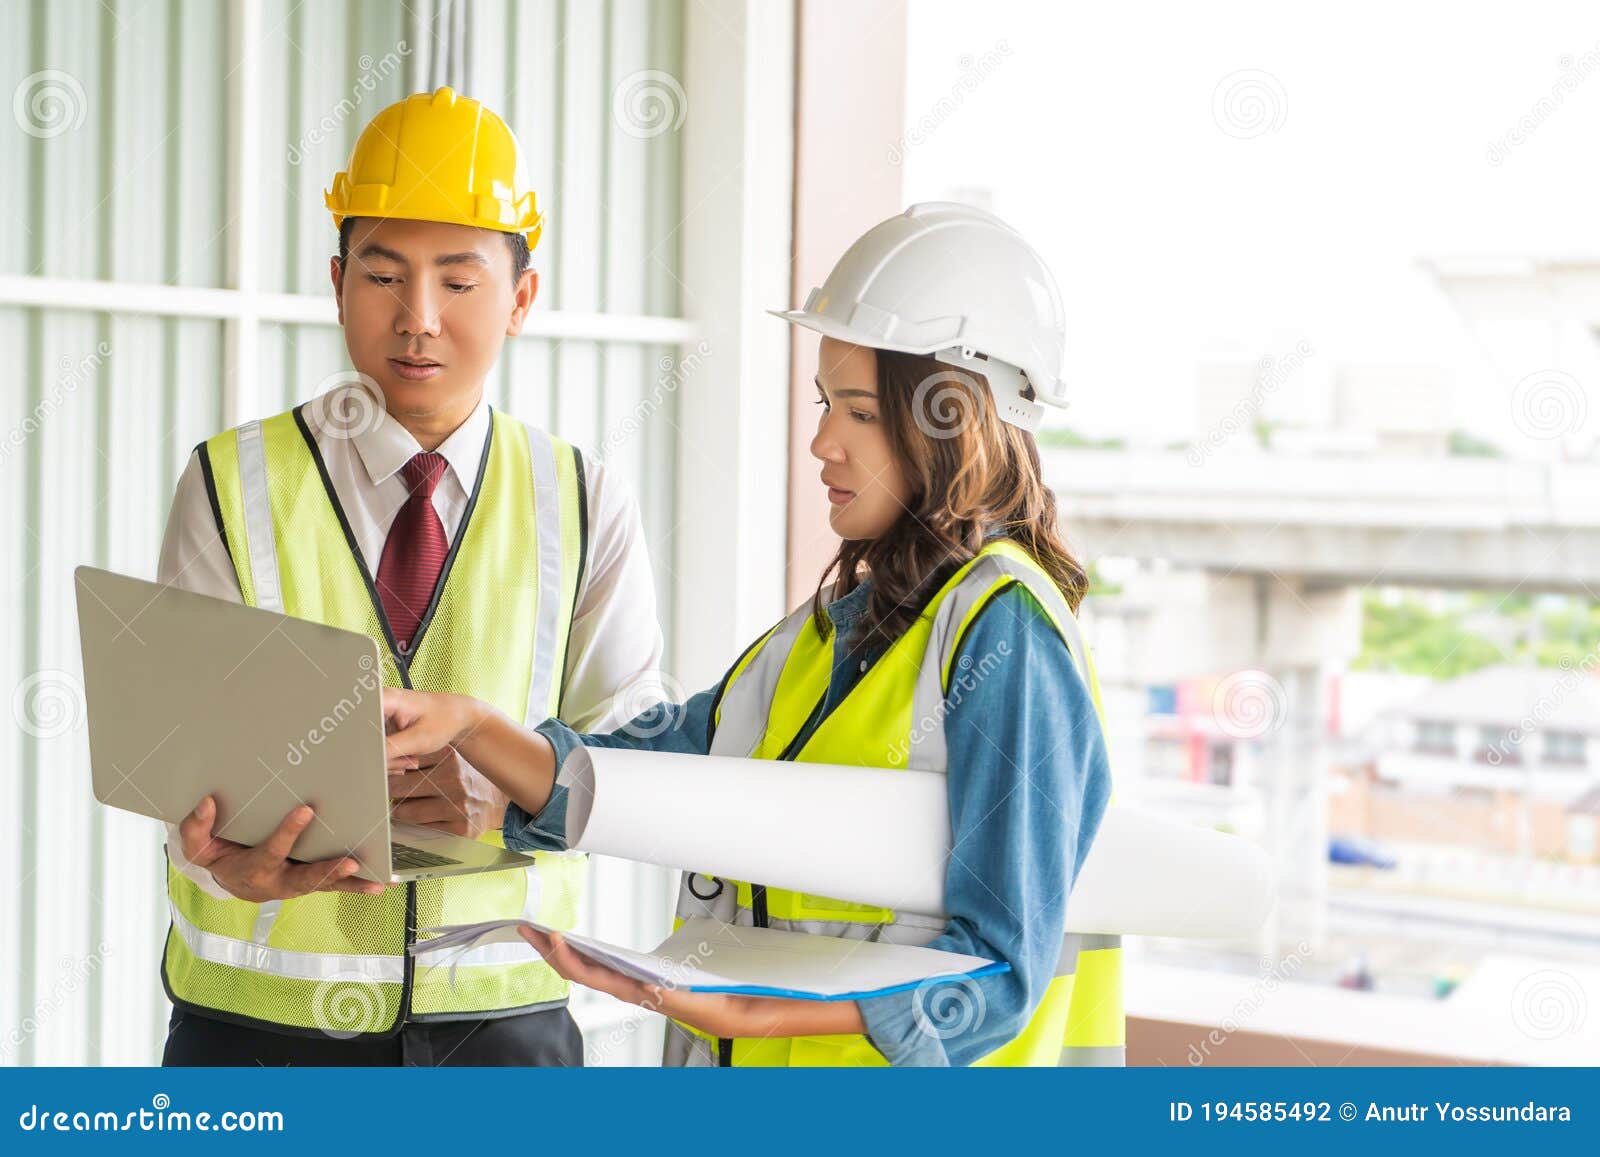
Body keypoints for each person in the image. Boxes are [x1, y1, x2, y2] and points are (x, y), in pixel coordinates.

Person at [380, 203, 1120, 1066]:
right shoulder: (821, 637)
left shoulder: (1008, 636)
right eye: (824, 404)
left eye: (859, 413)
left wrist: (756, 1013)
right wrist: (473, 728)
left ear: (954, 421)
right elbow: (641, 770)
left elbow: (997, 969)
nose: (820, 441)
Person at [156, 88, 663, 1066]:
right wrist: (224, 863)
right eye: (384, 276)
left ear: (520, 298)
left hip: (503, 1036)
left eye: (459, 282)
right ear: (340, 283)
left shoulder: (583, 498)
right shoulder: (230, 481)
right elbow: (177, 758)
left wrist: (514, 802)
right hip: (257, 1035)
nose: (418, 320)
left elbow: (636, 764)